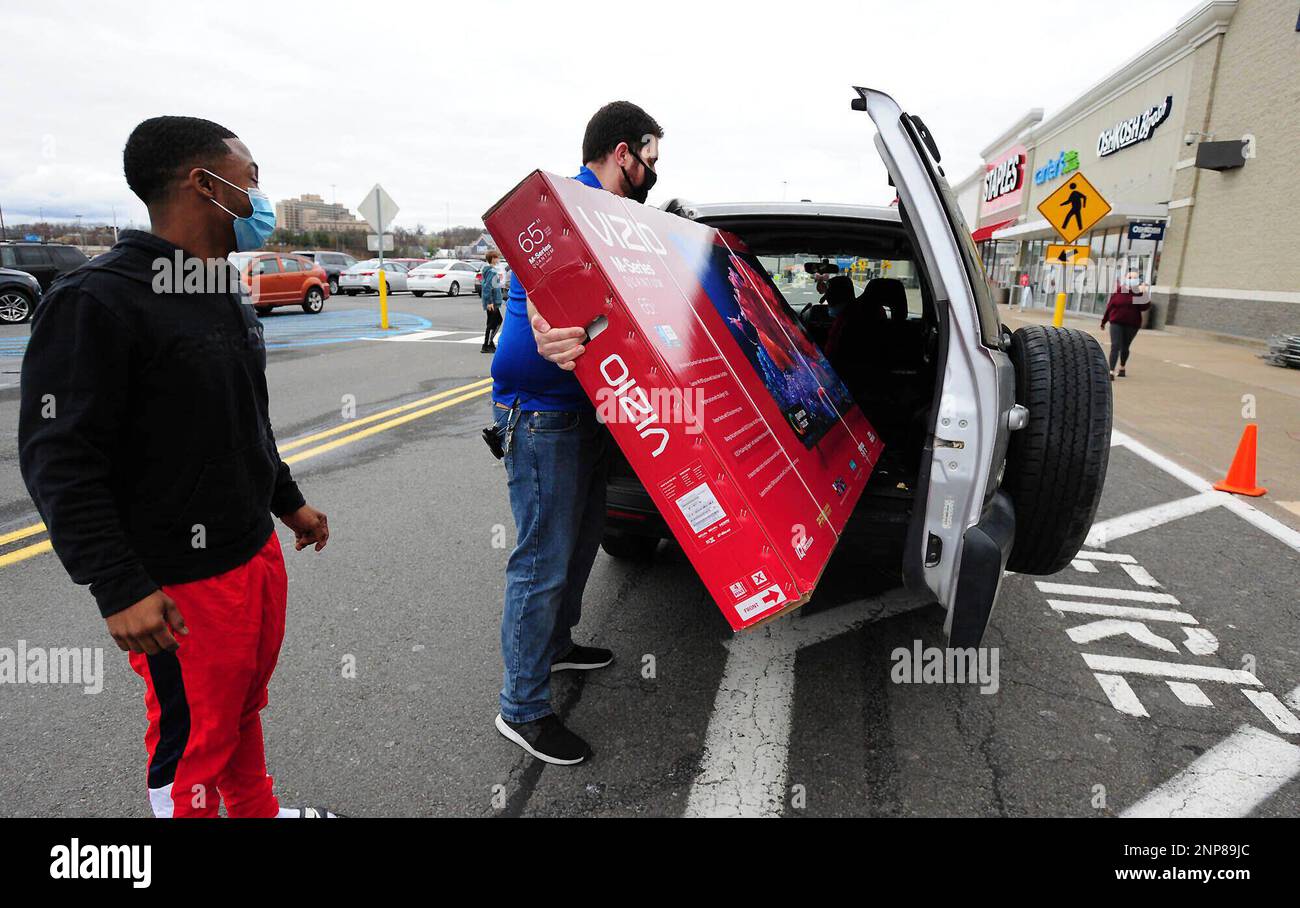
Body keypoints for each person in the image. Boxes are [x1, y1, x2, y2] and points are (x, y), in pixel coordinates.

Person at [18, 116, 337, 818]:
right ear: (205, 183)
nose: (259, 199)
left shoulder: (215, 285)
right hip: (183, 582)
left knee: (244, 706)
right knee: (195, 735)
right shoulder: (96, 301)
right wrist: (117, 585)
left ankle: (257, 810)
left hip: (251, 550)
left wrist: (287, 502)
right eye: (251, 182)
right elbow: (58, 460)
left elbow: (243, 417)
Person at [489, 101, 662, 765]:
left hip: (589, 411)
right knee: (541, 560)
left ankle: (556, 646)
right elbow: (544, 299)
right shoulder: (560, 210)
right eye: (650, 156)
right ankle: (522, 707)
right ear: (624, 150)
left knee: (581, 543)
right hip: (542, 413)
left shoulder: (617, 218)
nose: (653, 169)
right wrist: (549, 332)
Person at [1100, 270, 1151, 379]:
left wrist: (1144, 293)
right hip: (1116, 322)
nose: (1131, 280)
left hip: (1132, 324)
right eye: (1129, 277)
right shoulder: (1119, 292)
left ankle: (1122, 367)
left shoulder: (1138, 293)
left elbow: (1145, 307)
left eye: (1134, 278)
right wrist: (1104, 321)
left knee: (1125, 347)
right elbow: (1110, 307)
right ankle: (1111, 371)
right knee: (1115, 345)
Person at [480, 250, 504, 353]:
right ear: (493, 259)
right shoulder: (492, 272)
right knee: (495, 321)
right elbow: (488, 287)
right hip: (492, 302)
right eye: (496, 257)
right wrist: (490, 302)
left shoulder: (489, 270)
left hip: (492, 301)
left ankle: (489, 342)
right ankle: (487, 344)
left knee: (494, 321)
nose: (498, 259)